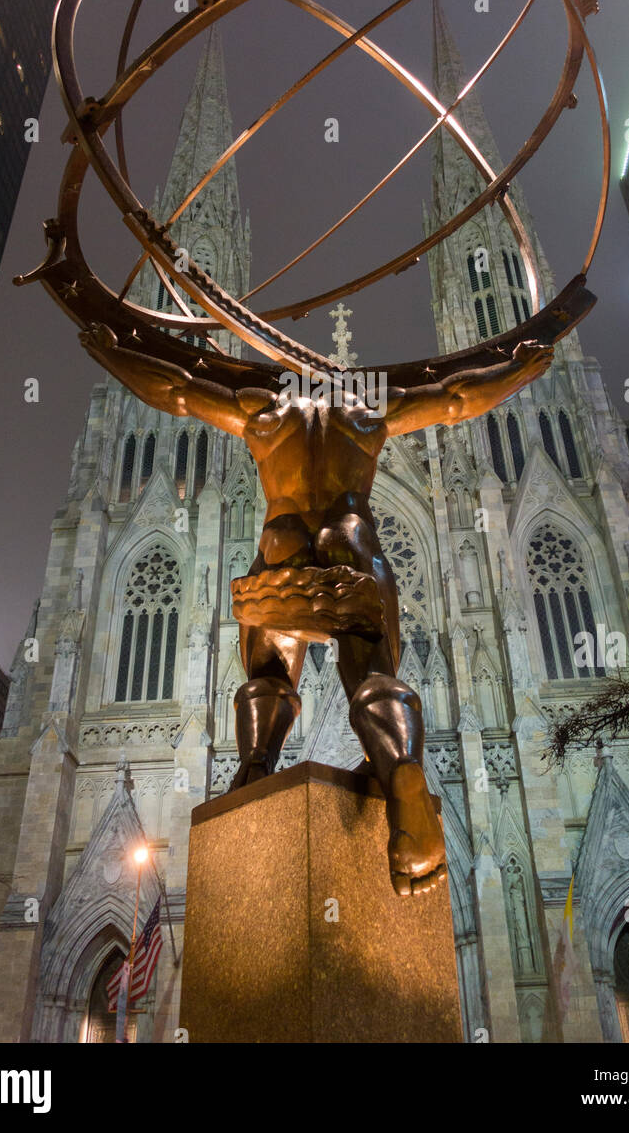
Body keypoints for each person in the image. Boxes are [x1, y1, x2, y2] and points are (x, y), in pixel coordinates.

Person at [82, 325, 552, 896]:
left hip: (281, 554)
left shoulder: (263, 403)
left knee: (268, 679)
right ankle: (403, 771)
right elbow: (456, 395)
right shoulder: (366, 403)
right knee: (374, 676)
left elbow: (178, 389)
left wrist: (111, 350)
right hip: (348, 547)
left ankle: (255, 769)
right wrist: (521, 367)